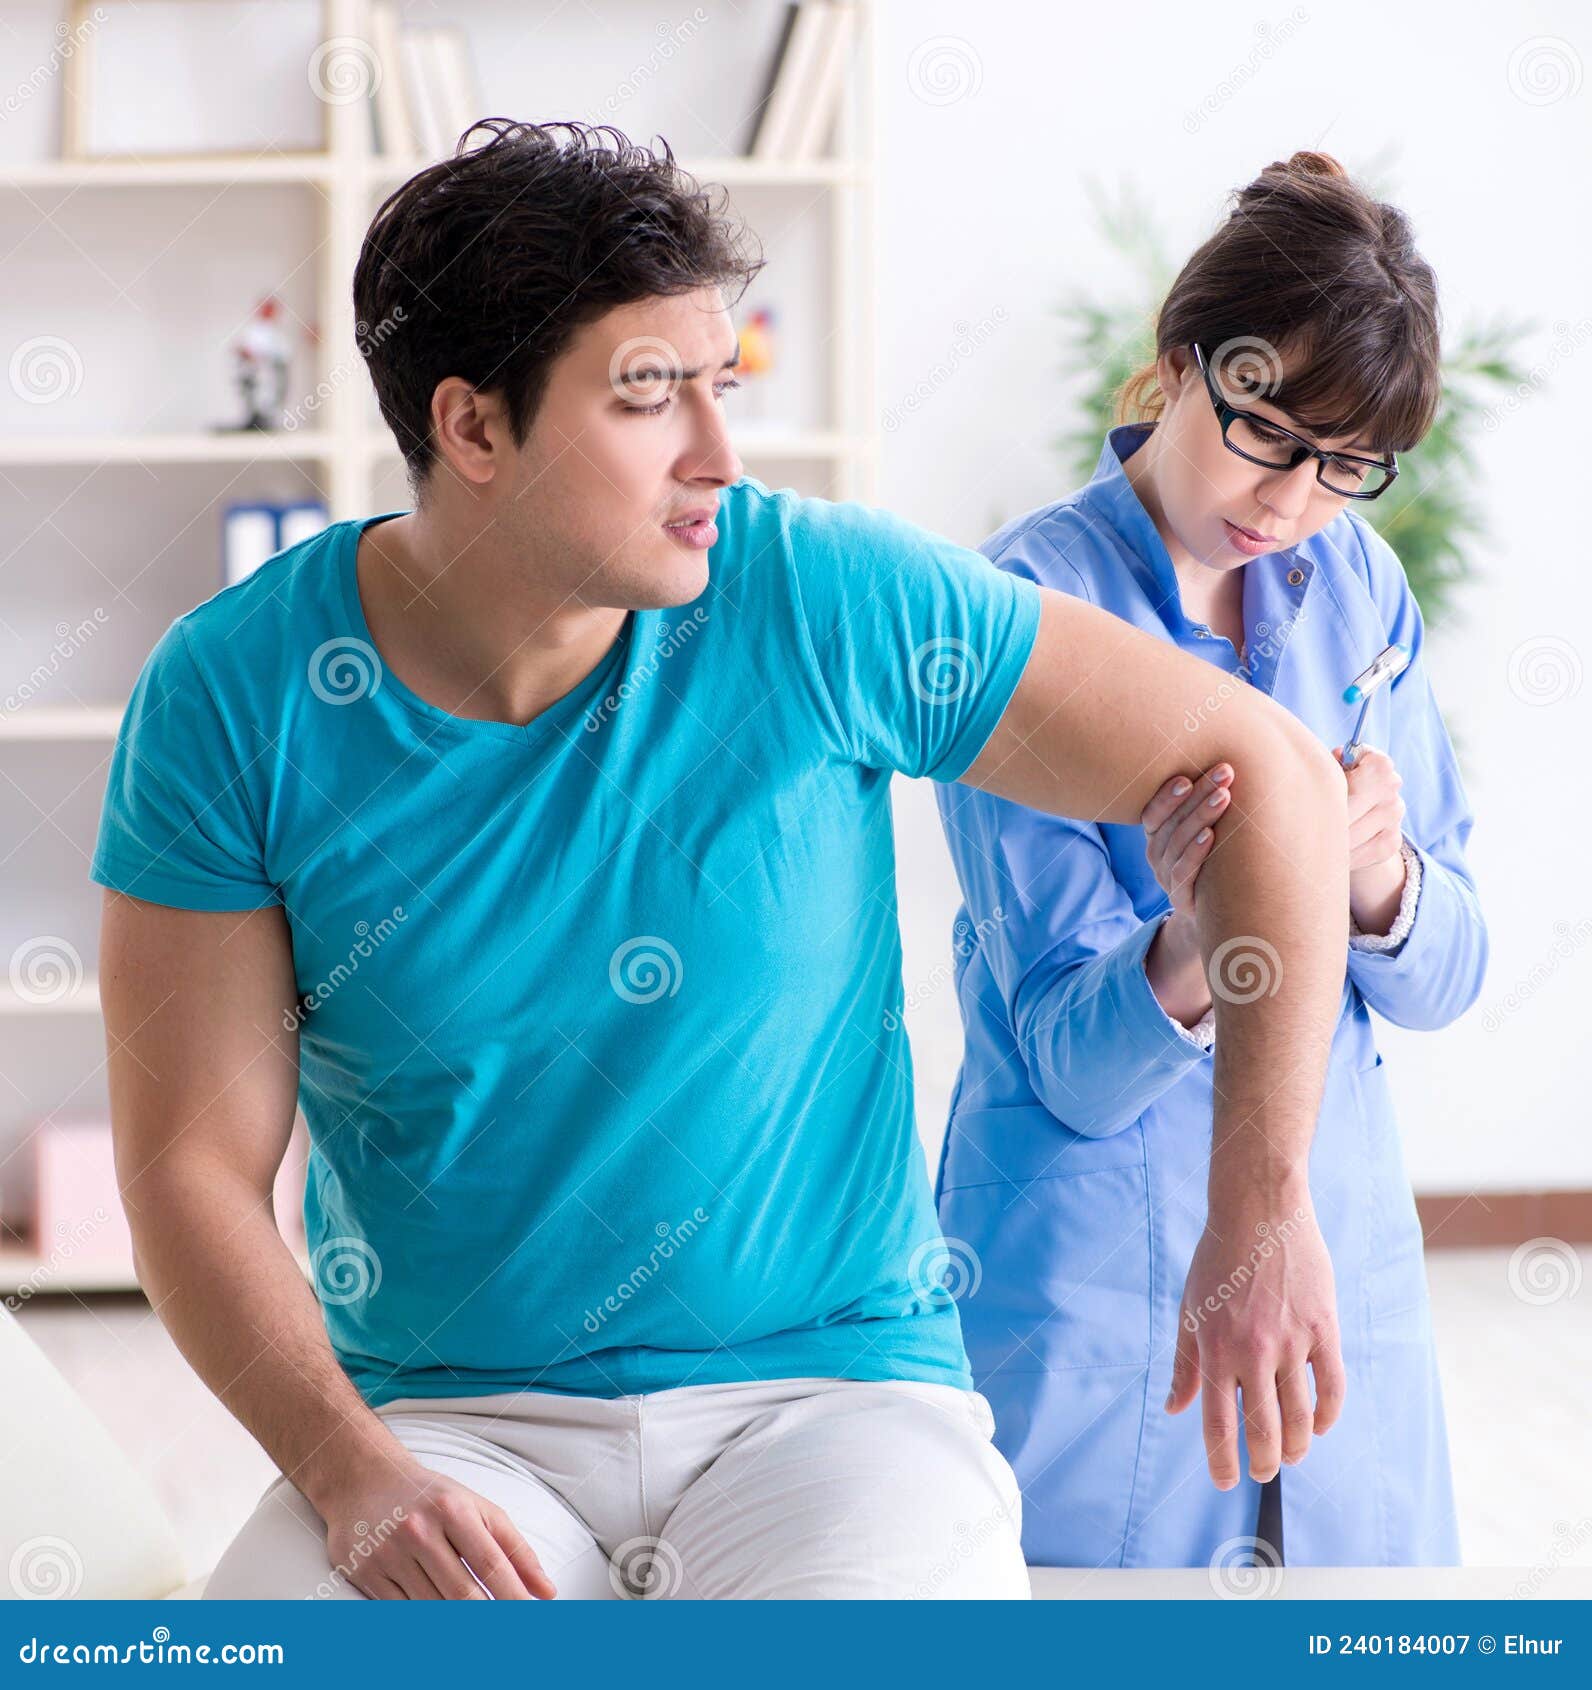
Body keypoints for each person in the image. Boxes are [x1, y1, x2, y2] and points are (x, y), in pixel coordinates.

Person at [95, 123, 1351, 1601]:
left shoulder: (815, 591)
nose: (719, 453)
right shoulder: (235, 693)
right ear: (473, 429)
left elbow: (1268, 775)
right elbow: (188, 1163)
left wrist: (1261, 1204)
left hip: (835, 1404)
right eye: (649, 395)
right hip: (447, 1422)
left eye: (721, 384)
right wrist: (347, 1463)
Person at [934, 150, 1487, 1570]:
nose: (1294, 498)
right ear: (1180, 362)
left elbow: (1450, 967)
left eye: (1343, 464)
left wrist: (1374, 880)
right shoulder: (1024, 608)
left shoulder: (1357, 584)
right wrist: (1195, 940)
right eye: (1265, 431)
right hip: (1097, 1275)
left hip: (1331, 1248)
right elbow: (1065, 1056)